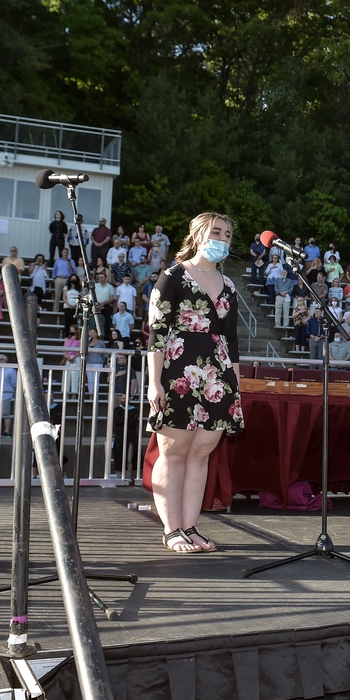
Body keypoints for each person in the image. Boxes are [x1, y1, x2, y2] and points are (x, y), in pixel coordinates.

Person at [146, 212, 243, 553]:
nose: (222, 238)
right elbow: (156, 334)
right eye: (216, 232)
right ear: (198, 234)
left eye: (227, 234)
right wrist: (153, 383)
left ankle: (190, 526)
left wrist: (235, 386)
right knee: (174, 453)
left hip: (218, 375)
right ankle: (171, 530)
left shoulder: (229, 287)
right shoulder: (172, 277)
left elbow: (232, 341)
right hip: (178, 371)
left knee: (201, 454)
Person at [0, 353, 17, 438]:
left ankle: (6, 432)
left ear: (6, 360)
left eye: (1, 359)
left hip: (6, 395)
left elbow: (14, 383)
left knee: (6, 414)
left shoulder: (11, 370)